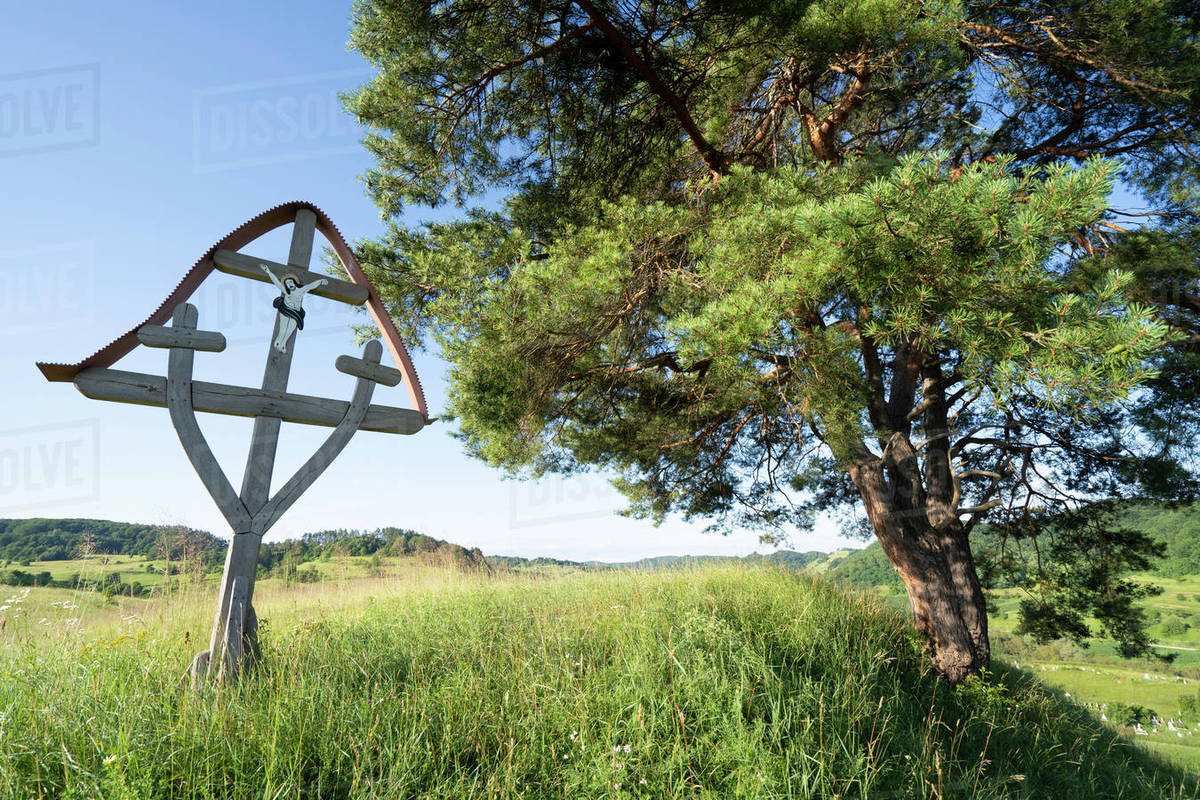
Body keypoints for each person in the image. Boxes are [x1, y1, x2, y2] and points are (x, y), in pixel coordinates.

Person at [260, 264, 328, 353]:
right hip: (285, 309)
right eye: (287, 284)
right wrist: (268, 271)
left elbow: (311, 286)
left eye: (290, 282)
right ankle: (278, 341)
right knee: (283, 328)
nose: (289, 284)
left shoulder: (301, 290)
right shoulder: (286, 292)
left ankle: (283, 344)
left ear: (294, 282)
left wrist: (320, 281)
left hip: (295, 312)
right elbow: (276, 281)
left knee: (291, 328)